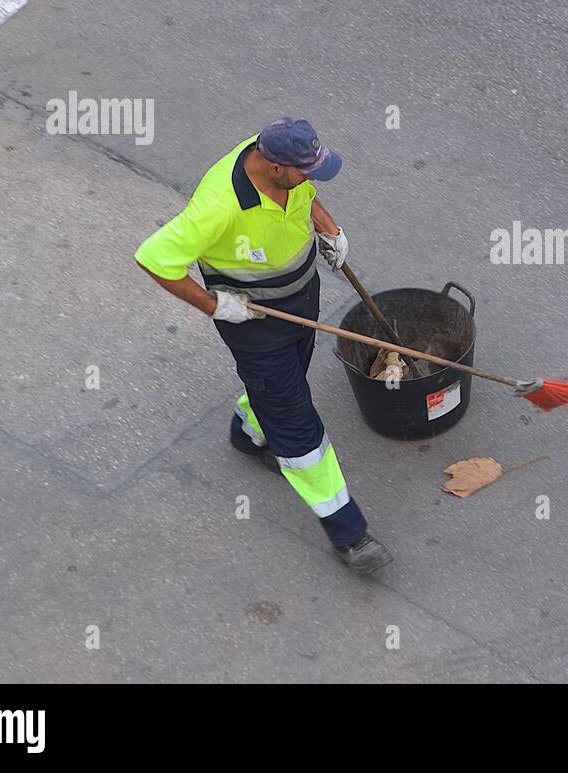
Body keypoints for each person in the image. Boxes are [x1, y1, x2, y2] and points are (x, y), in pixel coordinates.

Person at [134, 118, 393, 574]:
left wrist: (329, 229)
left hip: (300, 298)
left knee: (285, 380)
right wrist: (215, 306)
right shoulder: (218, 206)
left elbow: (305, 195)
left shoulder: (277, 161)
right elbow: (155, 259)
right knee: (297, 425)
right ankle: (348, 533)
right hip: (254, 322)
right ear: (274, 167)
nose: (309, 177)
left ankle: (249, 432)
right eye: (303, 171)